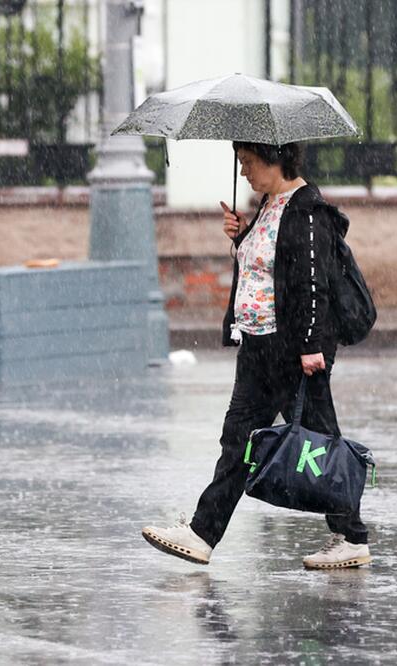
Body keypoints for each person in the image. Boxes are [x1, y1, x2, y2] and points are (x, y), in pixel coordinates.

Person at [142, 141, 370, 569]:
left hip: (291, 352)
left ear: (275, 159)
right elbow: (268, 269)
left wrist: (310, 348)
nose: (244, 172)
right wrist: (241, 237)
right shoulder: (272, 204)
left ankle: (352, 537)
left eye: (248, 162)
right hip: (258, 347)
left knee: (320, 445)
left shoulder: (307, 211)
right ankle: (201, 534)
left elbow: (312, 287)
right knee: (238, 442)